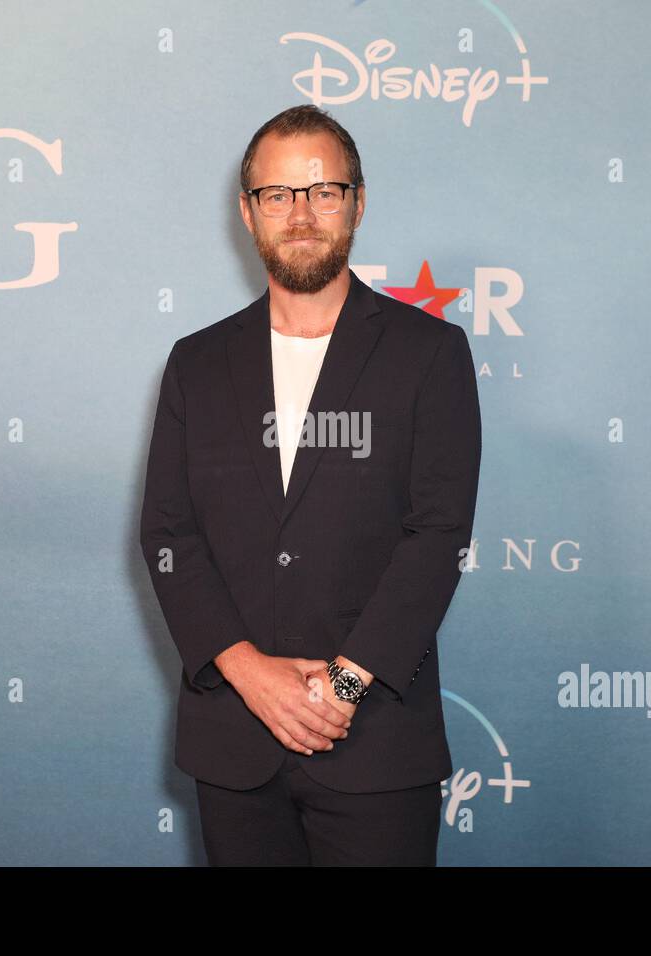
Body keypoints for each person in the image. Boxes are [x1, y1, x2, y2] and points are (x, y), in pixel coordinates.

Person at [139, 104, 481, 865]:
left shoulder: (429, 354)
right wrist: (249, 672)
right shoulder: (196, 364)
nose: (301, 213)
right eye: (279, 194)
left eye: (324, 190)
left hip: (378, 744)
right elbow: (168, 534)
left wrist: (344, 687)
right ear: (248, 212)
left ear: (358, 202)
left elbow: (438, 535)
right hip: (235, 743)